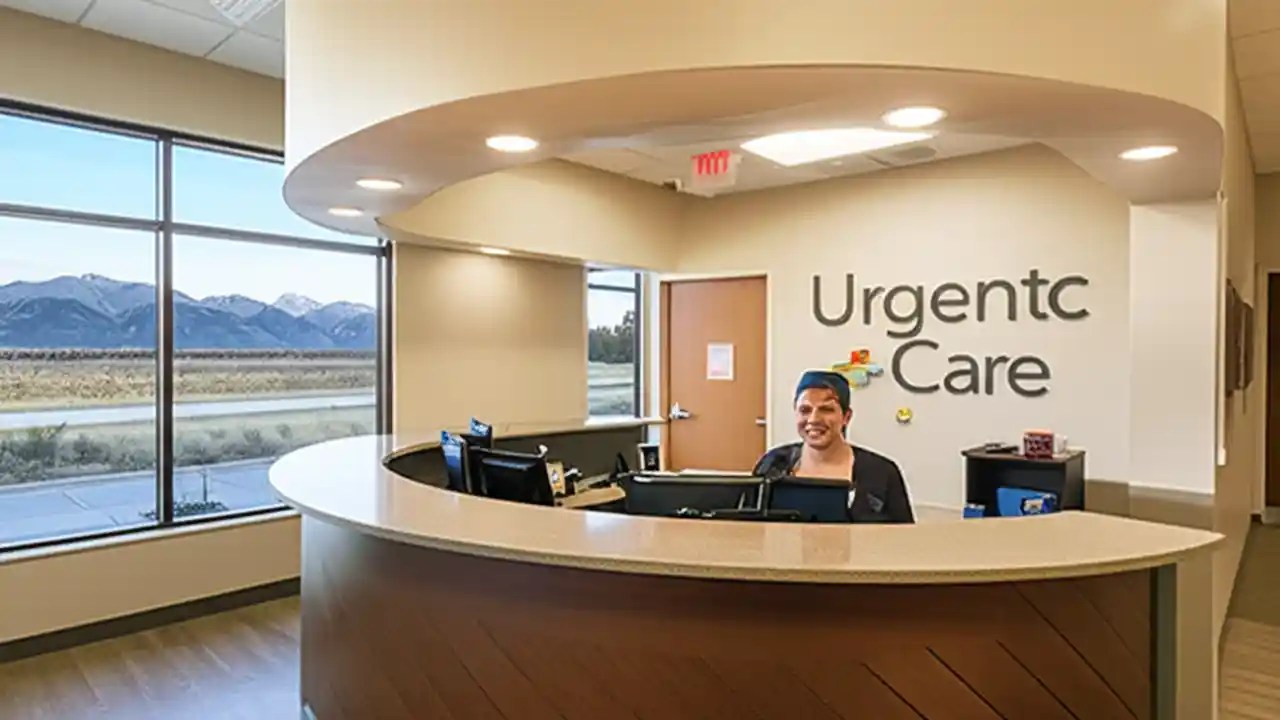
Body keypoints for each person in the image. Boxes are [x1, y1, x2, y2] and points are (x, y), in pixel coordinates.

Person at [753, 369, 914, 523]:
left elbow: (903, 542)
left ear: (846, 417)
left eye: (826, 410)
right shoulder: (772, 464)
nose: (814, 419)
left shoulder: (882, 473)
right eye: (805, 410)